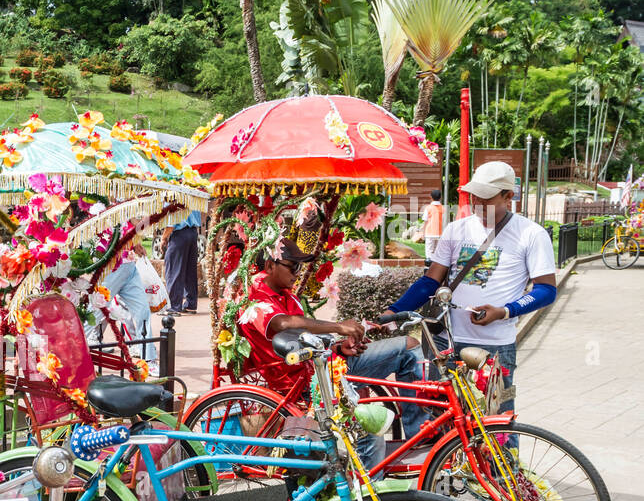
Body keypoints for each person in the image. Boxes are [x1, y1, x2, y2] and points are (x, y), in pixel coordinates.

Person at [381, 161, 556, 415]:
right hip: (448, 342)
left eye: (486, 198)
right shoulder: (456, 229)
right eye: (474, 197)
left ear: (509, 196)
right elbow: (431, 281)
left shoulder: (531, 234)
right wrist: (393, 311)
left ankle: (506, 457)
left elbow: (546, 290)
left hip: (495, 347)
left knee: (497, 422)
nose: (478, 205)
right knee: (445, 422)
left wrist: (504, 311)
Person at [236, 239, 427, 465]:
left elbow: (305, 335)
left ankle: (420, 433)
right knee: (369, 428)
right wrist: (338, 327)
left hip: (325, 365)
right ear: (269, 266)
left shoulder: (287, 294)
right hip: (303, 385)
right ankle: (368, 495)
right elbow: (283, 324)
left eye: (300, 267)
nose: (297, 274)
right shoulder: (254, 293)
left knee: (408, 347)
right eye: (293, 266)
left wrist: (338, 346)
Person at [162, 210, 201, 315]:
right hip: (193, 233)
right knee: (190, 271)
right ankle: (191, 304)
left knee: (173, 270)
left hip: (179, 234)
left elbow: (171, 223)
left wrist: (163, 238)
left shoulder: (173, 195)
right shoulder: (193, 194)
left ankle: (174, 306)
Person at [417, 189, 445, 267]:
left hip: (430, 232)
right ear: (440, 198)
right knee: (436, 249)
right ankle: (435, 264)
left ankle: (428, 265)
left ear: (431, 197)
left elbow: (425, 221)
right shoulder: (443, 208)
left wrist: (423, 232)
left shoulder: (428, 208)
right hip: (439, 232)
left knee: (429, 249)